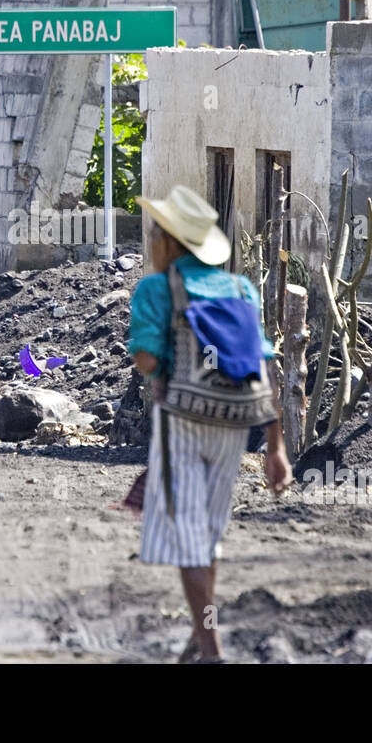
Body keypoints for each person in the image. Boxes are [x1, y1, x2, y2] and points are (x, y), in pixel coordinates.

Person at [128, 184, 293, 664]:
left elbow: (144, 357)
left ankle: (212, 652)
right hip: (233, 428)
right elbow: (262, 367)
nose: (151, 240)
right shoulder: (241, 288)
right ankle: (200, 639)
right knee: (208, 537)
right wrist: (276, 448)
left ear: (173, 244)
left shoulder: (156, 288)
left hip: (180, 423)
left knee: (189, 541)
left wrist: (159, 370)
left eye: (156, 233)